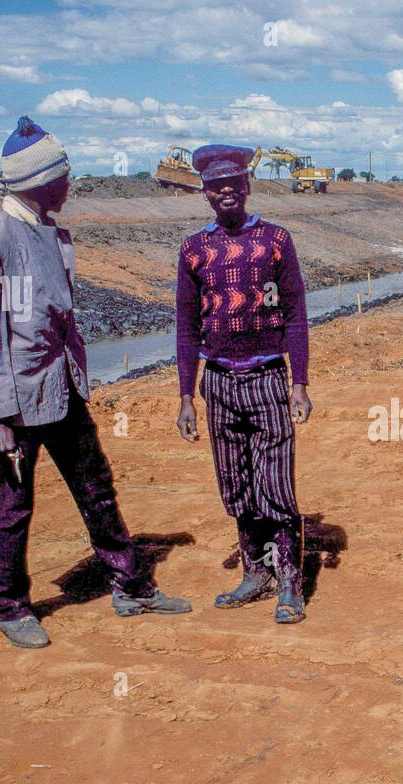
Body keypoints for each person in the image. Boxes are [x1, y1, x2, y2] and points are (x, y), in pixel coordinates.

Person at [0, 116, 191, 649]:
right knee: (15, 505)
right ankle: (9, 605)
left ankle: (130, 586)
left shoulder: (52, 233)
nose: (70, 185)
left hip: (61, 388)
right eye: (64, 176)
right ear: (38, 181)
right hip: (17, 400)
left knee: (96, 488)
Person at [174, 145, 312, 624]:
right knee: (236, 484)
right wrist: (185, 396)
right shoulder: (194, 249)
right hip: (219, 386)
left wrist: (300, 382)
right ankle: (255, 573)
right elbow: (186, 327)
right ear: (205, 193)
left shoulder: (275, 240)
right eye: (216, 185)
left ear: (248, 187)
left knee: (276, 485)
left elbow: (295, 314)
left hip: (269, 380)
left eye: (234, 182)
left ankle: (290, 583)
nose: (226, 190)